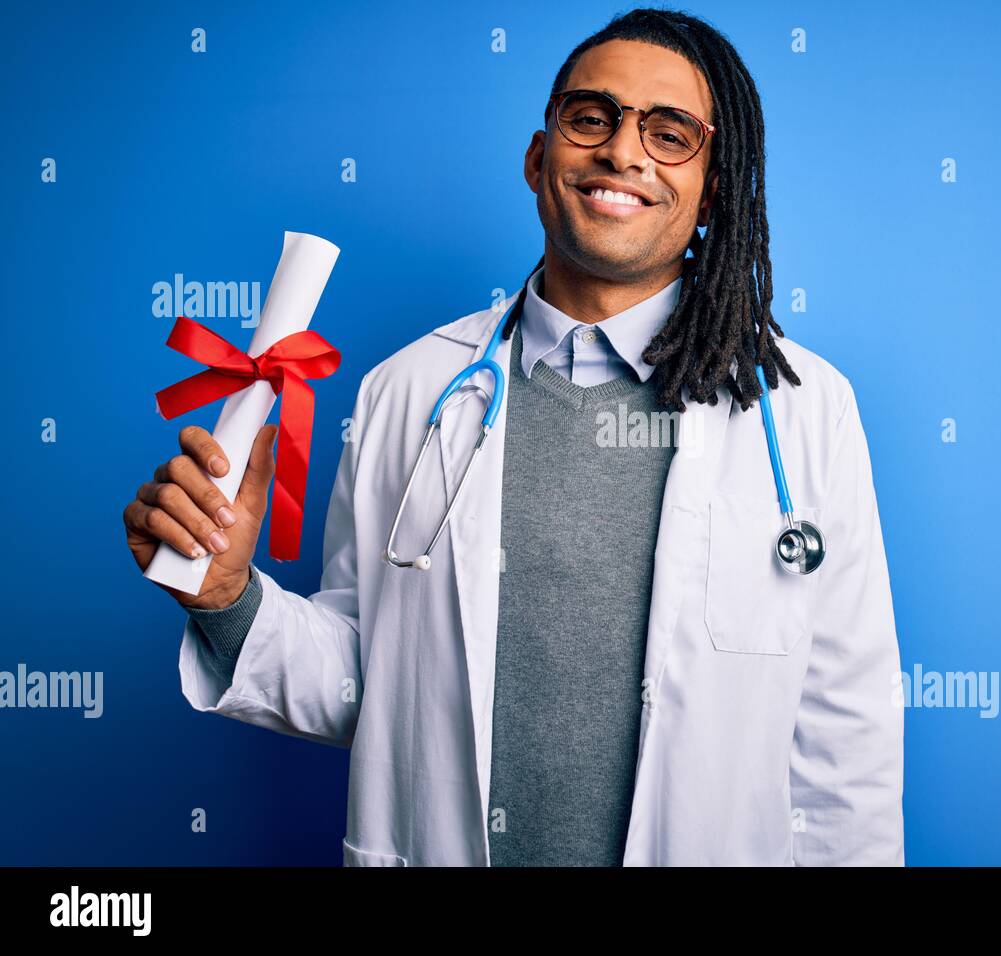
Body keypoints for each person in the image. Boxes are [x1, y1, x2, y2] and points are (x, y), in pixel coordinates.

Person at [122, 8, 904, 866]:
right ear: (540, 159)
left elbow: (846, 746)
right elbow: (367, 685)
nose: (623, 152)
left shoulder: (802, 409)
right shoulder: (406, 391)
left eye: (670, 133)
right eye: (591, 117)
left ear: (713, 187)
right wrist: (226, 595)